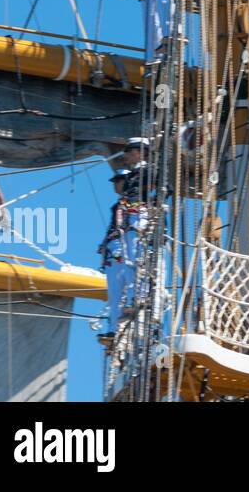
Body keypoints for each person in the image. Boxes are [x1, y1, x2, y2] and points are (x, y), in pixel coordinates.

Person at [98, 138, 150, 347]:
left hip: (133, 228)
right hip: (116, 245)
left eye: (118, 181)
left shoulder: (146, 174)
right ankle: (113, 329)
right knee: (114, 293)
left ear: (139, 152)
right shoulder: (123, 197)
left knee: (133, 265)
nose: (117, 185)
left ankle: (136, 299)